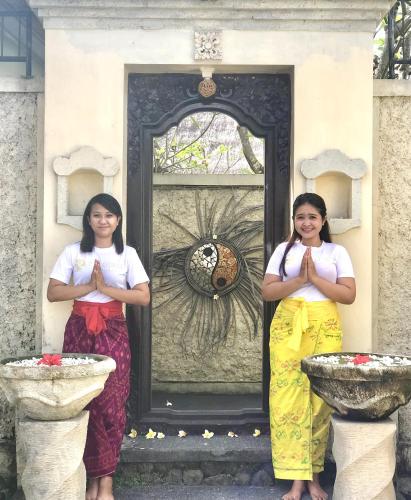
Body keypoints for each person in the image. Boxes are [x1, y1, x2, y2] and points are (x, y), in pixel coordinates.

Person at [47, 193, 150, 500]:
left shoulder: (127, 254)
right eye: (97, 215)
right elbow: (54, 293)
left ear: (117, 221)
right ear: (88, 220)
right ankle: (91, 480)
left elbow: (143, 296)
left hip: (113, 329)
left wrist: (106, 289)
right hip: (79, 329)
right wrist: (90, 287)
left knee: (110, 405)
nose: (103, 220)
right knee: (84, 403)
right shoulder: (73, 252)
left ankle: (106, 482)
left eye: (109, 215)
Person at [261, 193, 355, 500]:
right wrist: (301, 279)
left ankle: (314, 477)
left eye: (312, 217)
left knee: (318, 401)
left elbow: (348, 294)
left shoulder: (336, 252)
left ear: (323, 220)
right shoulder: (283, 251)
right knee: (287, 400)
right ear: (294, 220)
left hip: (324, 327)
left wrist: (314, 277)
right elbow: (268, 291)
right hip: (288, 326)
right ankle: (296, 482)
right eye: (300, 217)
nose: (306, 223)